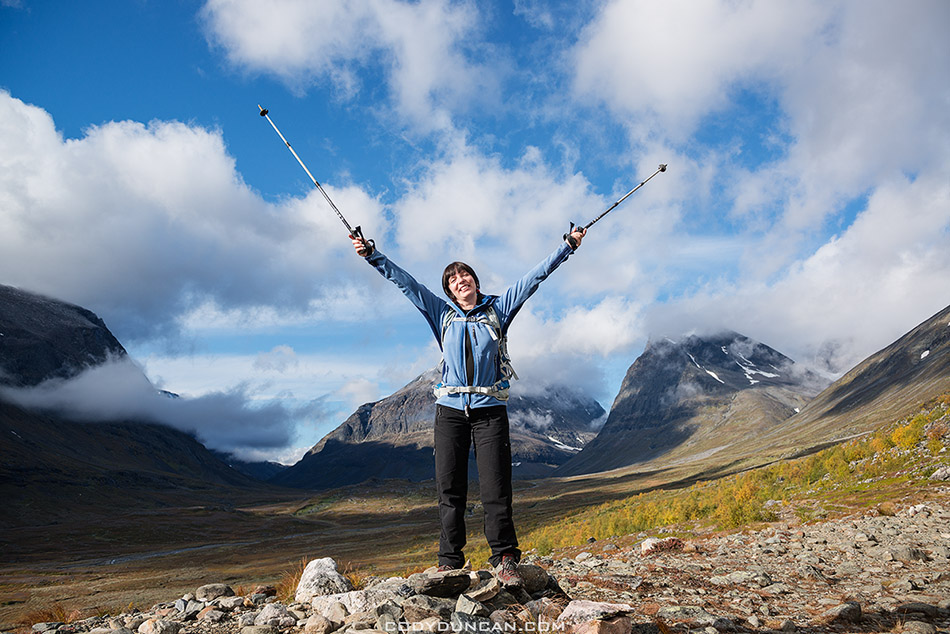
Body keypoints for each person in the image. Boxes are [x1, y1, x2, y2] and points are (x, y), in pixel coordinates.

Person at [351, 227, 585, 586]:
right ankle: (449, 561)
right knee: (450, 487)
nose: (461, 280)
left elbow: (533, 278)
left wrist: (566, 246)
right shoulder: (441, 315)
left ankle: (505, 558)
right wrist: (373, 255)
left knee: (495, 487)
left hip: (490, 409)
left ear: (475, 281)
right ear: (448, 290)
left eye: (465, 274)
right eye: (453, 278)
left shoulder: (498, 309)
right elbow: (407, 284)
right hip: (449, 411)